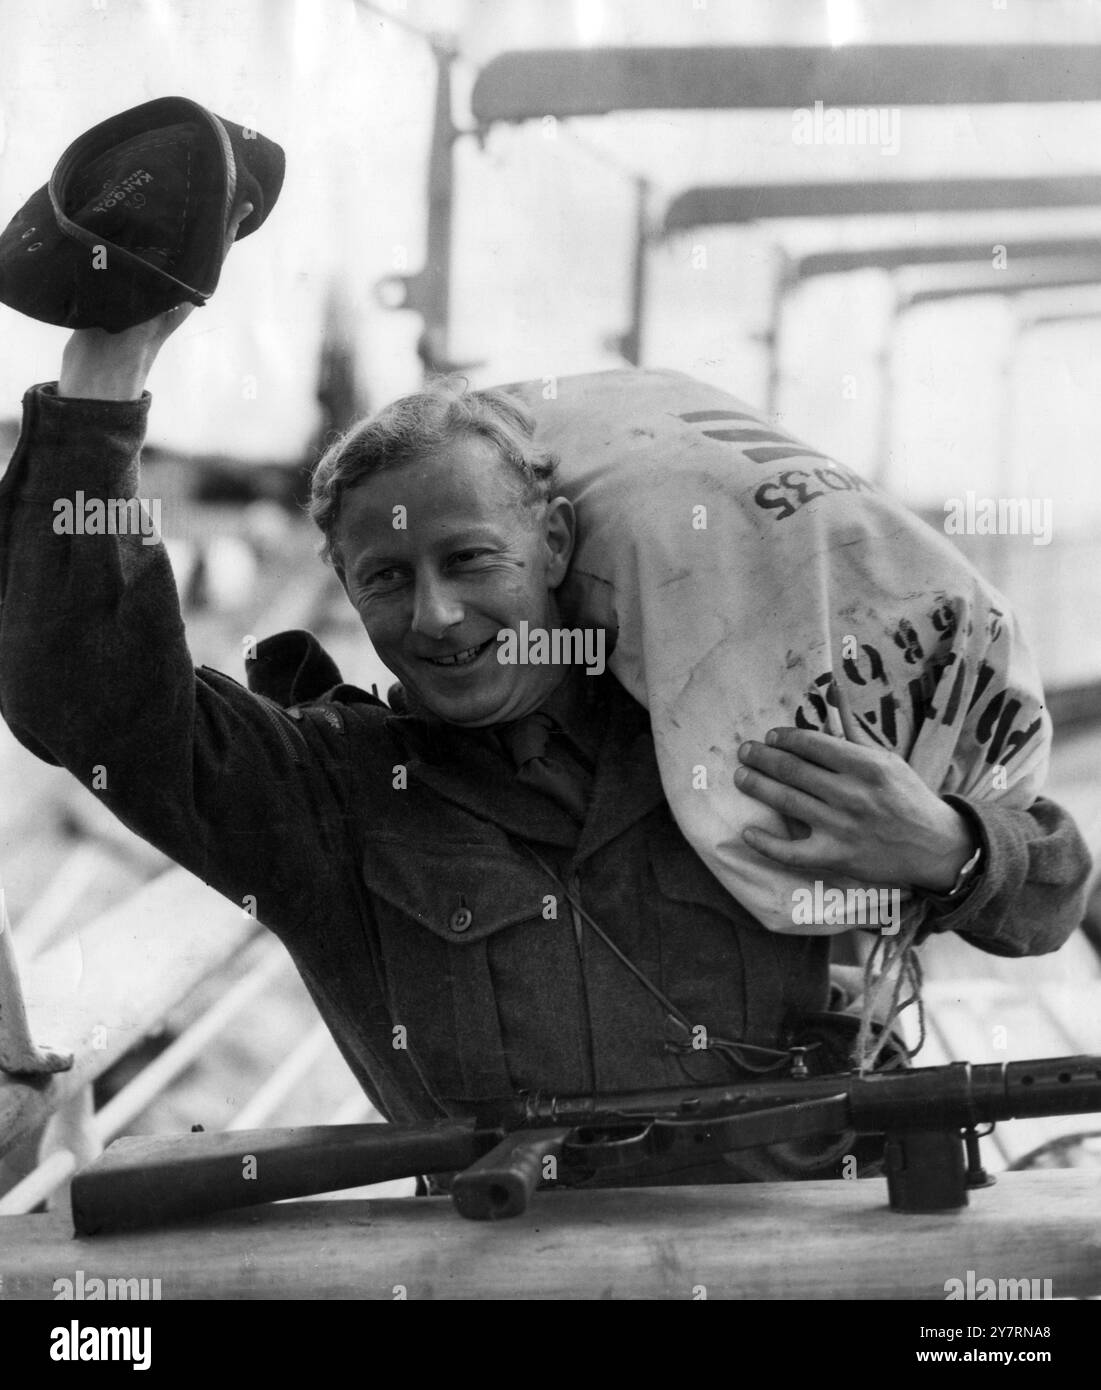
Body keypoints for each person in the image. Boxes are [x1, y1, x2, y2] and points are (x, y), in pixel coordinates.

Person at [0, 229, 1092, 1188]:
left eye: (470, 558)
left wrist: (945, 848)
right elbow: (90, 704)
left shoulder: (737, 713)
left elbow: (1049, 896)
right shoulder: (330, 800)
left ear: (556, 544)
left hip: (832, 1257)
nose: (436, 614)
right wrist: (104, 376)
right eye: (384, 578)